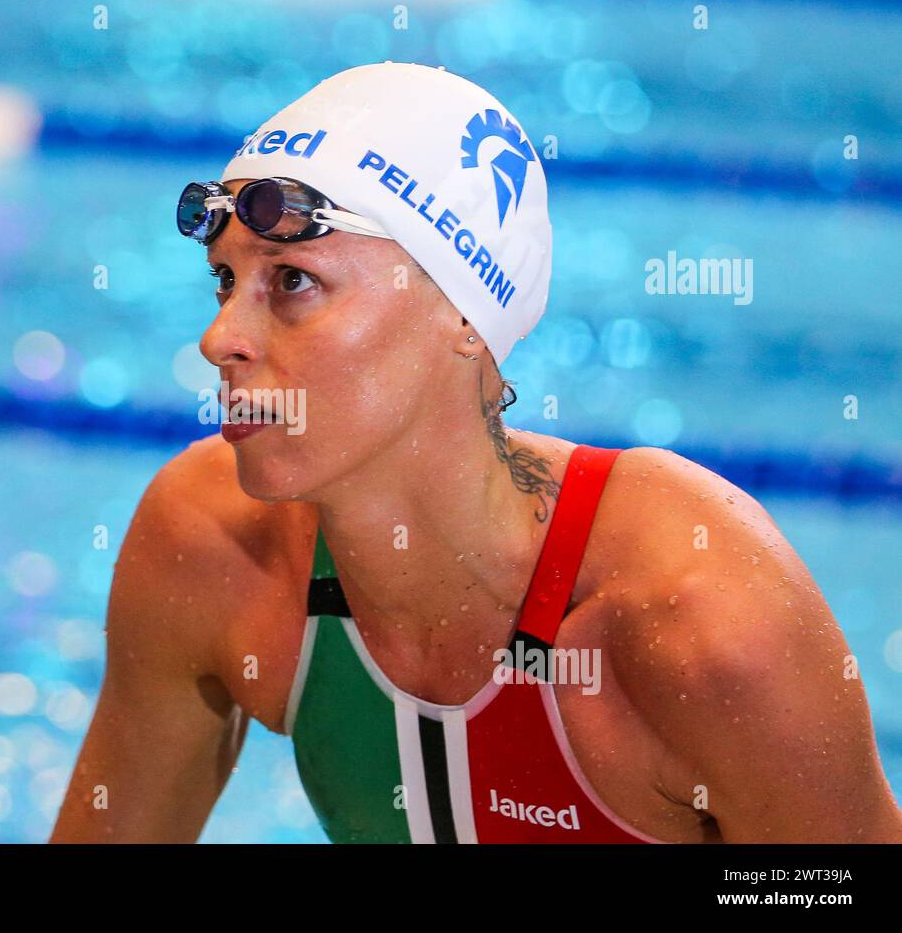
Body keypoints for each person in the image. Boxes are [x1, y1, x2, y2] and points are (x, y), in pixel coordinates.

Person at [50, 62, 902, 843]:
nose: (220, 338)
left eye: (293, 281)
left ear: (462, 314)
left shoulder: (696, 613)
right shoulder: (212, 547)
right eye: (225, 280)